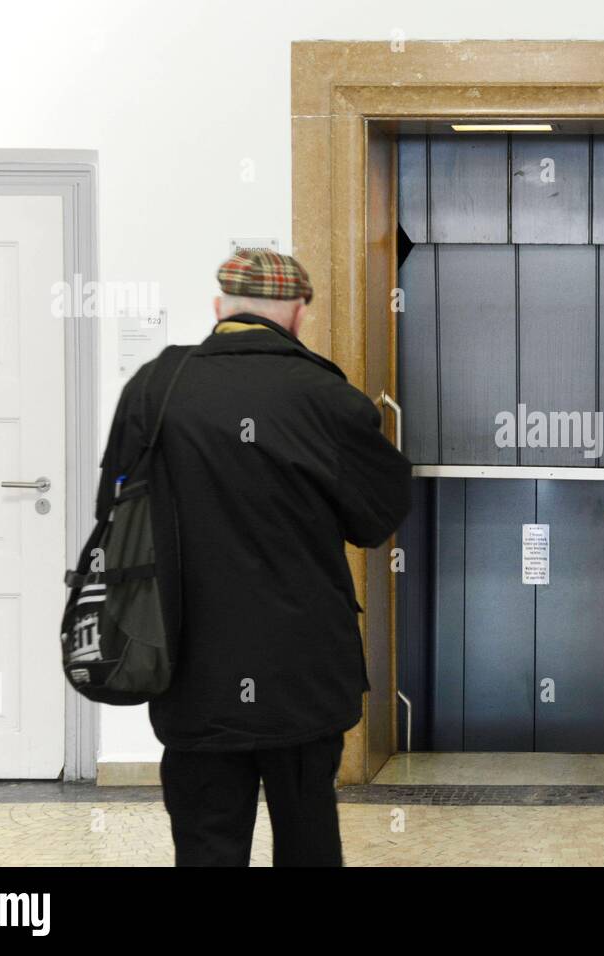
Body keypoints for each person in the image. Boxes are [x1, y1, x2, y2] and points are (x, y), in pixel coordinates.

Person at [95, 249, 412, 865]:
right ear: (297, 313)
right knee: (308, 833)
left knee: (207, 838)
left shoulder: (155, 388)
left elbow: (113, 506)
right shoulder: (327, 396)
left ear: (220, 308)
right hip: (303, 669)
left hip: (187, 664)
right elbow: (377, 519)